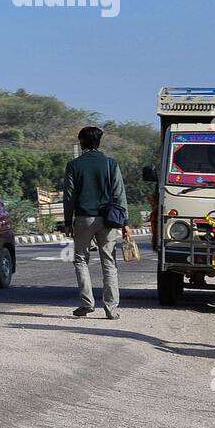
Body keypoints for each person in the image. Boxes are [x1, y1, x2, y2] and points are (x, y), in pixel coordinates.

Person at [63, 126, 131, 319]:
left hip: (83, 218)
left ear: (82, 142)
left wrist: (68, 221)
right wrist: (125, 222)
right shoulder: (111, 164)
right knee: (109, 262)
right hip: (108, 219)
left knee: (81, 260)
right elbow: (119, 194)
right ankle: (111, 309)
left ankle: (87, 303)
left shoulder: (73, 165)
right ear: (99, 142)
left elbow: (69, 197)